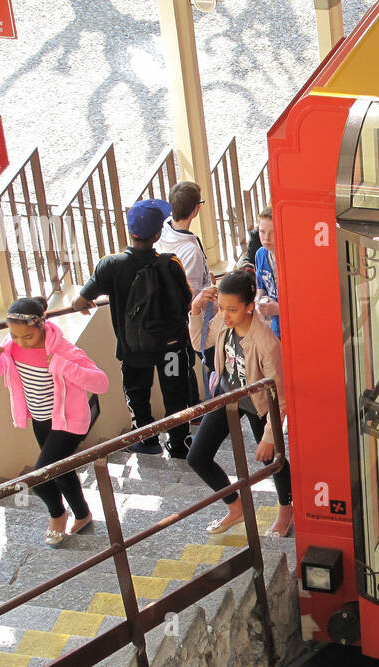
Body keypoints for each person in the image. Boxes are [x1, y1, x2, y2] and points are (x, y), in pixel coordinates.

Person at [0, 297, 109, 546]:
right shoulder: (11, 346)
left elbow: (100, 383)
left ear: (41, 325)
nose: (20, 341)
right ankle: (82, 515)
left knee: (41, 477)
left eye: (27, 337)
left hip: (68, 423)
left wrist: (63, 366)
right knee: (61, 471)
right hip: (39, 420)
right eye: (14, 335)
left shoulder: (62, 350)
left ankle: (57, 516)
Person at [73, 200, 194, 459]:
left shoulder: (111, 266)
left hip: (134, 348)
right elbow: (188, 299)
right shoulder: (171, 262)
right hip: (171, 348)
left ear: (130, 232)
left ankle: (146, 440)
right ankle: (179, 443)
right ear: (158, 235)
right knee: (175, 393)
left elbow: (80, 300)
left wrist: (86, 303)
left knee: (137, 393)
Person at [187, 270, 293, 537]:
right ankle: (236, 507)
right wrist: (196, 309)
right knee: (197, 457)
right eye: (221, 308)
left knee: (274, 460)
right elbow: (199, 345)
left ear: (249, 307)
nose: (225, 314)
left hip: (259, 404)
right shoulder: (224, 324)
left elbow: (279, 396)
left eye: (232, 309)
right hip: (229, 396)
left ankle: (286, 509)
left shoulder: (267, 343)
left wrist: (270, 436)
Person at [159, 183, 214, 397]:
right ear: (195, 210)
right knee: (206, 363)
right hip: (191, 320)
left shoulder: (163, 231)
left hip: (170, 319)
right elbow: (190, 295)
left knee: (177, 370)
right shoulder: (189, 251)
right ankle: (201, 412)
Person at [240, 206, 281, 339]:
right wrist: (258, 300)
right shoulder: (260, 255)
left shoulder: (291, 259)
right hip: (275, 329)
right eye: (262, 232)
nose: (266, 238)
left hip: (295, 329)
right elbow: (261, 286)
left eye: (272, 232)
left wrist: (278, 309)